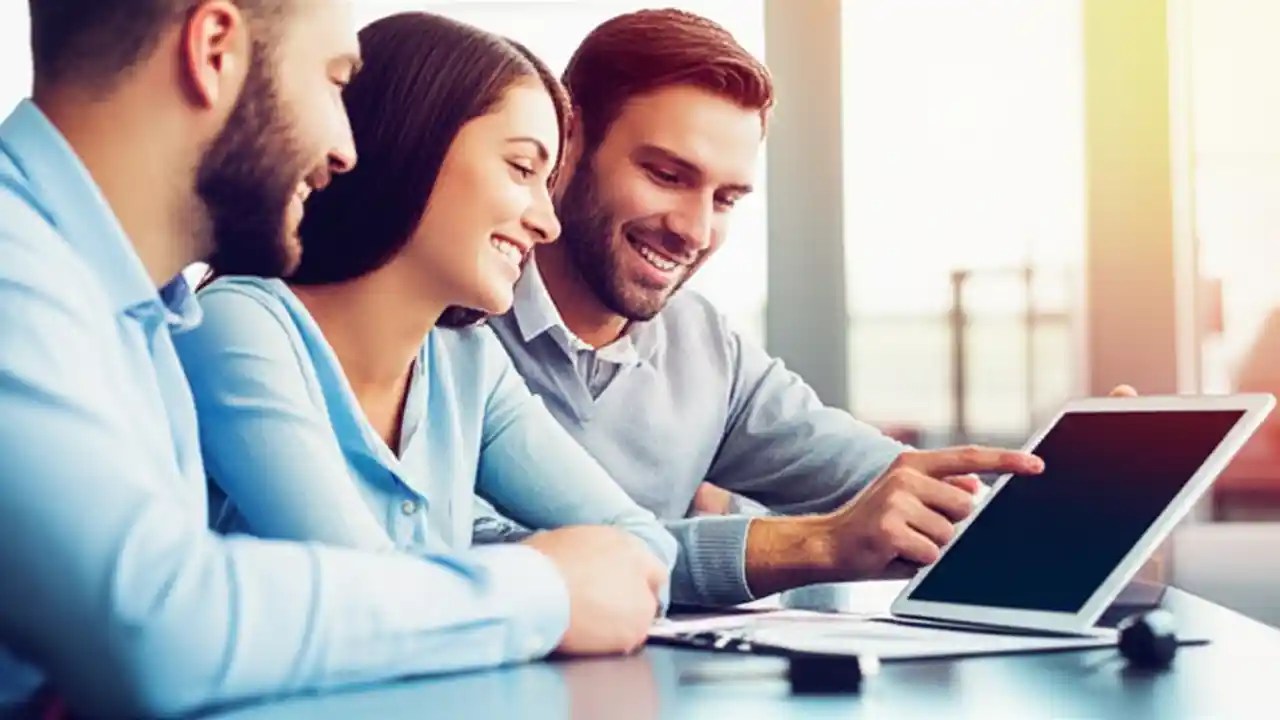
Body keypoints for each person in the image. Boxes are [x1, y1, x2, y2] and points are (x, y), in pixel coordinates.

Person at [0, 2, 661, 715]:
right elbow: (156, 624)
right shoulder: (24, 274)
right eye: (334, 80)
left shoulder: (140, 317)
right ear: (215, 50)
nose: (347, 149)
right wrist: (545, 590)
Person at [486, 8, 1132, 607]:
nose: (695, 230)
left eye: (726, 199)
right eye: (667, 176)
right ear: (566, 143)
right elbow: (480, 564)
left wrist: (1072, 506)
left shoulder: (705, 346)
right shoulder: (457, 323)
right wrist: (816, 544)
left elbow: (889, 484)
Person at [173, 12, 676, 590]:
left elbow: (645, 545)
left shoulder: (468, 362)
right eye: (521, 169)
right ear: (413, 143)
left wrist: (519, 573)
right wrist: (553, 581)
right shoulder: (238, 326)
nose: (547, 223)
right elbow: (368, 595)